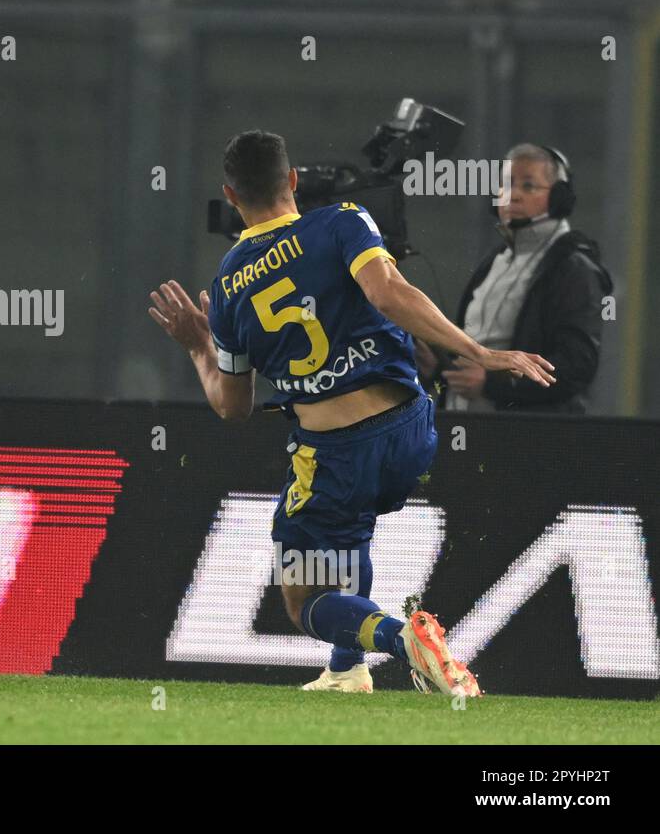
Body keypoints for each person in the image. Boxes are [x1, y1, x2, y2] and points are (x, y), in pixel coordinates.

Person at [148, 130, 554, 696]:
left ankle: (402, 642)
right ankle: (347, 669)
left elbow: (232, 407)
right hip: (412, 430)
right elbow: (388, 291)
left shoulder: (229, 285)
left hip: (335, 452)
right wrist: (481, 351)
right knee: (350, 533)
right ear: (291, 181)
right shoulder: (342, 220)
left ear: (231, 196)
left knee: (305, 597)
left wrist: (197, 344)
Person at [420, 143, 611, 413]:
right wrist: (441, 368)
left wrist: (493, 385)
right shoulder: (497, 259)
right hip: (465, 423)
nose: (513, 196)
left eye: (529, 186)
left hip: (521, 438)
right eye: (506, 185)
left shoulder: (574, 268)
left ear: (559, 197)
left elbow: (577, 367)